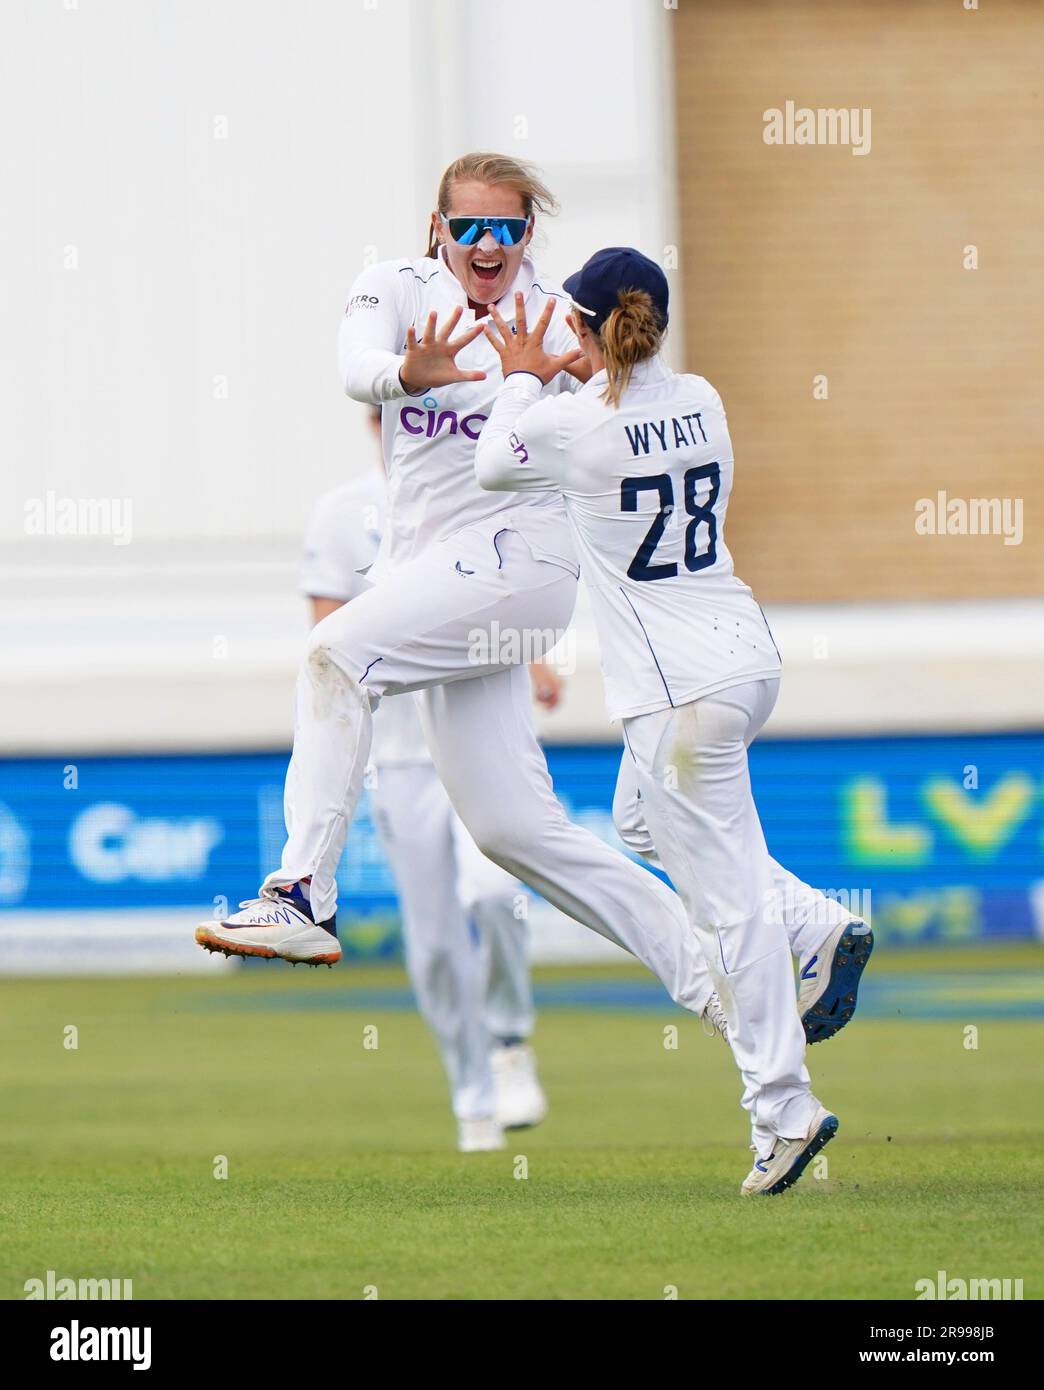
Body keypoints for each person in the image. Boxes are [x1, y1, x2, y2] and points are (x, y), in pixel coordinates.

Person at [195, 153, 730, 1047]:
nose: (490, 244)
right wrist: (411, 373)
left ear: (529, 235)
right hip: (442, 583)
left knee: (334, 656)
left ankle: (299, 894)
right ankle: (723, 985)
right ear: (436, 229)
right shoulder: (396, 289)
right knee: (515, 832)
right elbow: (355, 370)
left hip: (519, 563)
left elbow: (626, 422)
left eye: (509, 228)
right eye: (470, 226)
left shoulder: (556, 317)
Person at [474, 247, 873, 1195]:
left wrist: (523, 377)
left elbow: (495, 463)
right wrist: (567, 370)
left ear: (587, 328)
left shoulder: (573, 426)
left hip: (675, 699)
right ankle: (813, 920)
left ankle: (783, 1109)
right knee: (641, 822)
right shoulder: (702, 396)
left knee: (729, 908)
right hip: (745, 663)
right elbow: (625, 409)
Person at [301, 410, 549, 1152]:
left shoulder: (481, 496)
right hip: (401, 758)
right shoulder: (344, 515)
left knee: (496, 891)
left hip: (478, 735)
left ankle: (509, 1040)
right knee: (436, 942)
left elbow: (522, 595)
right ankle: (472, 1101)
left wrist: (536, 660)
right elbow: (325, 646)